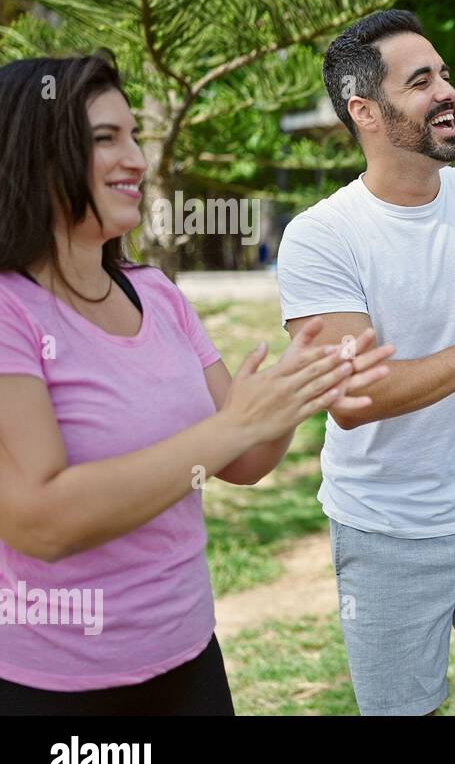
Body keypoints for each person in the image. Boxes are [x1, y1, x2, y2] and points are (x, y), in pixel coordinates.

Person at [0, 53, 392, 715]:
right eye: (104, 138)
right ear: (34, 154)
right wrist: (233, 424)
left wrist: (294, 394)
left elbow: (236, 459)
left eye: (134, 136)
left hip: (187, 660)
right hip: (55, 688)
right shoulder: (11, 309)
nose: (135, 160)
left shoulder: (157, 295)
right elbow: (42, 520)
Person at [276, 10, 455, 716]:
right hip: (385, 534)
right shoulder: (323, 238)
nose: (448, 92)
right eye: (421, 81)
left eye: (445, 74)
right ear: (366, 110)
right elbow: (353, 396)